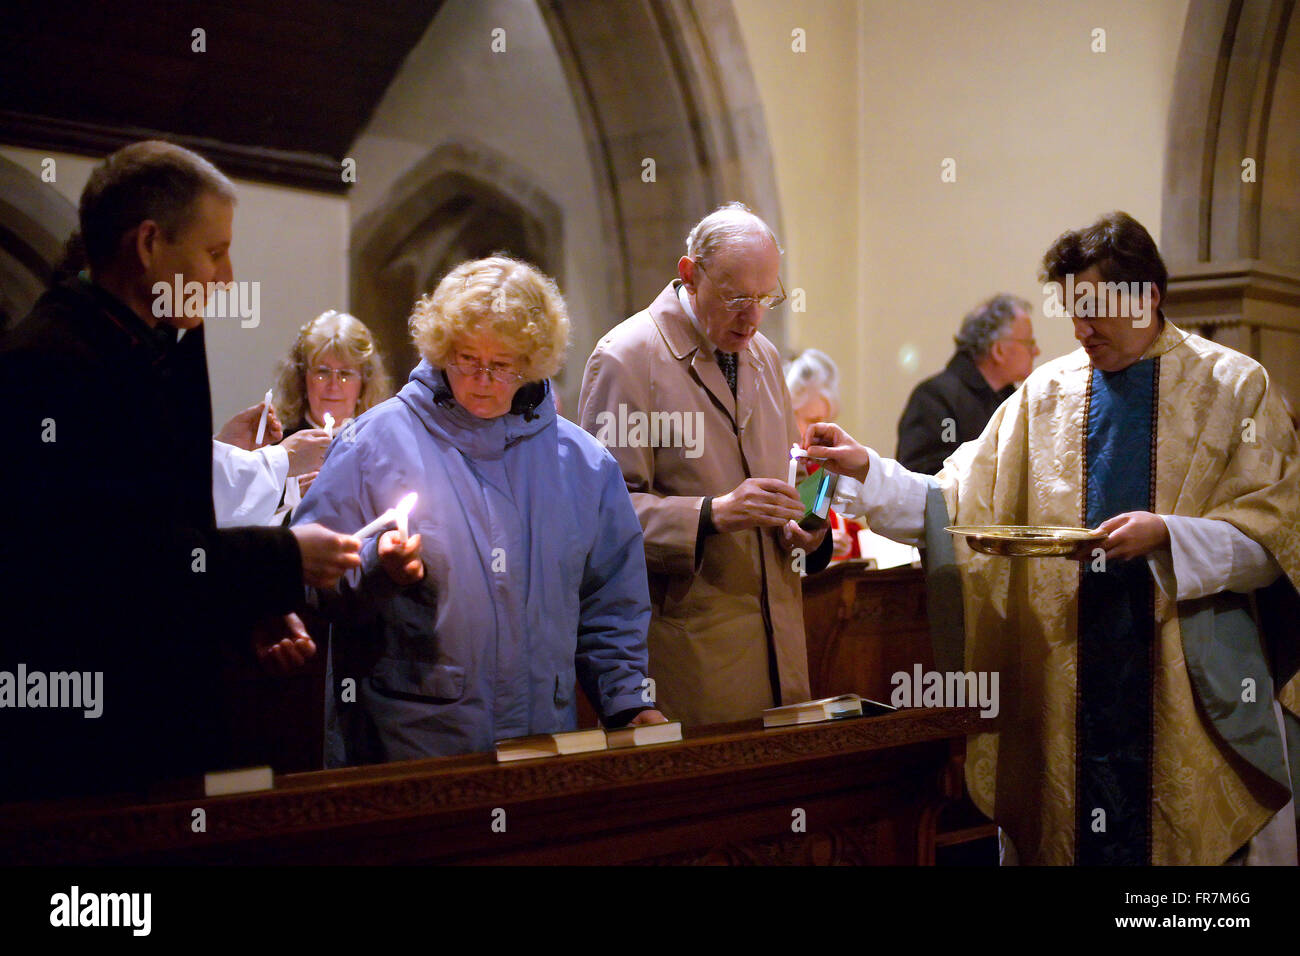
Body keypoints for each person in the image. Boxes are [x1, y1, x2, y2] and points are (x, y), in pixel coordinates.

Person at [806, 211, 1300, 865]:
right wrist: (865, 468)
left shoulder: (1234, 386)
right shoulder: (1045, 395)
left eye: (1096, 307)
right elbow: (954, 499)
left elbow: (1275, 532)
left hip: (1186, 686)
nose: (1081, 328)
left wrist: (1170, 538)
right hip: (1067, 689)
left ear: (1148, 295)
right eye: (1073, 309)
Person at [0, 140, 360, 801]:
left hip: (169, 713)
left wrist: (245, 610)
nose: (227, 277)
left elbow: (176, 533)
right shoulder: (52, 366)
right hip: (90, 736)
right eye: (215, 251)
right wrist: (281, 559)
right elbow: (109, 565)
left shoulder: (163, 345)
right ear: (148, 247)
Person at [294, 255, 663, 764]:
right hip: (415, 746)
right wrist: (380, 566)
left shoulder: (583, 465)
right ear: (441, 348)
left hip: (541, 743)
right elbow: (310, 584)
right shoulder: (373, 444)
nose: (483, 380)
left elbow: (611, 604)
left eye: (503, 364)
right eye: (467, 358)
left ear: (533, 361)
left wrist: (626, 701)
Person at [578, 202, 832, 727]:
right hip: (692, 649)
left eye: (765, 298)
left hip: (780, 646)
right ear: (689, 275)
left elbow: (794, 473)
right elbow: (599, 518)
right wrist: (711, 513)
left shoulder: (761, 355)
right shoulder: (627, 358)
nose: (753, 317)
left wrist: (812, 520)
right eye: (737, 296)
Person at [896, 294, 1039, 474]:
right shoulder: (935, 398)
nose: (1036, 351)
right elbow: (925, 477)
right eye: (1029, 343)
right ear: (999, 350)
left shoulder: (1013, 400)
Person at [272, 310, 391, 505]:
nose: (334, 385)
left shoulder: (380, 446)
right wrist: (294, 496)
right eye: (322, 372)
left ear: (364, 382)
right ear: (302, 378)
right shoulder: (278, 446)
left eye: (345, 373)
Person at [785, 348, 861, 561]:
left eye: (826, 421)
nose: (820, 432)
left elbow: (842, 524)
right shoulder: (780, 464)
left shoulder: (822, 466)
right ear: (789, 415)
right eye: (811, 421)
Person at [211, 399, 329, 527]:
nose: (333, 385)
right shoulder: (289, 435)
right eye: (321, 377)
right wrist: (283, 458)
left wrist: (225, 446)